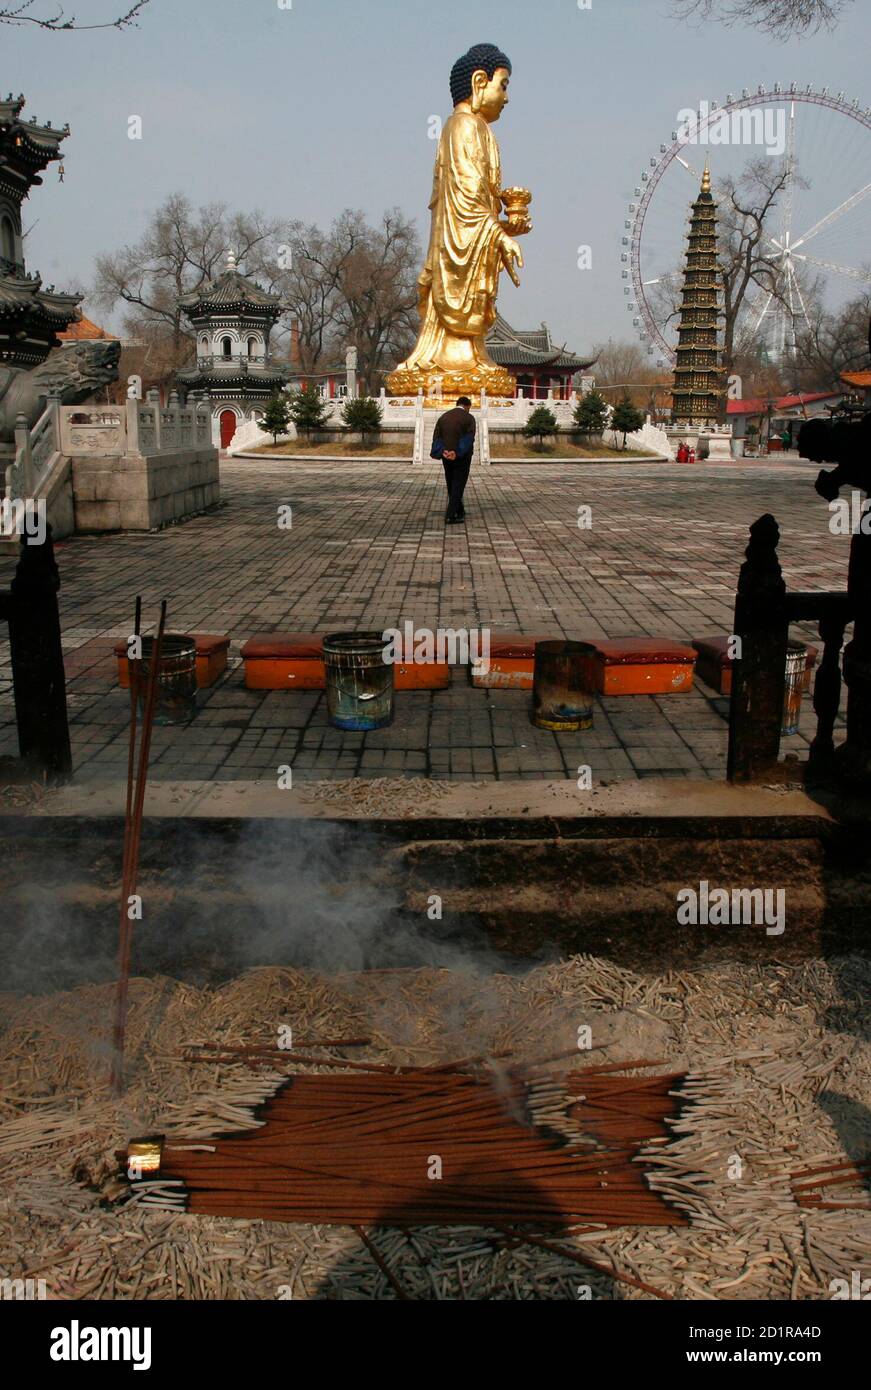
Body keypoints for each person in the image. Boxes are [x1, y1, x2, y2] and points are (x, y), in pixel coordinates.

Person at [431, 396, 476, 523]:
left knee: (451, 483)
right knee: (458, 485)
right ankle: (450, 516)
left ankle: (460, 510)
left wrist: (442, 451)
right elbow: (468, 438)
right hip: (461, 457)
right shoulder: (469, 418)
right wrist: (457, 452)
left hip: (446, 456)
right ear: (467, 406)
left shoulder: (443, 417)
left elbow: (437, 437)